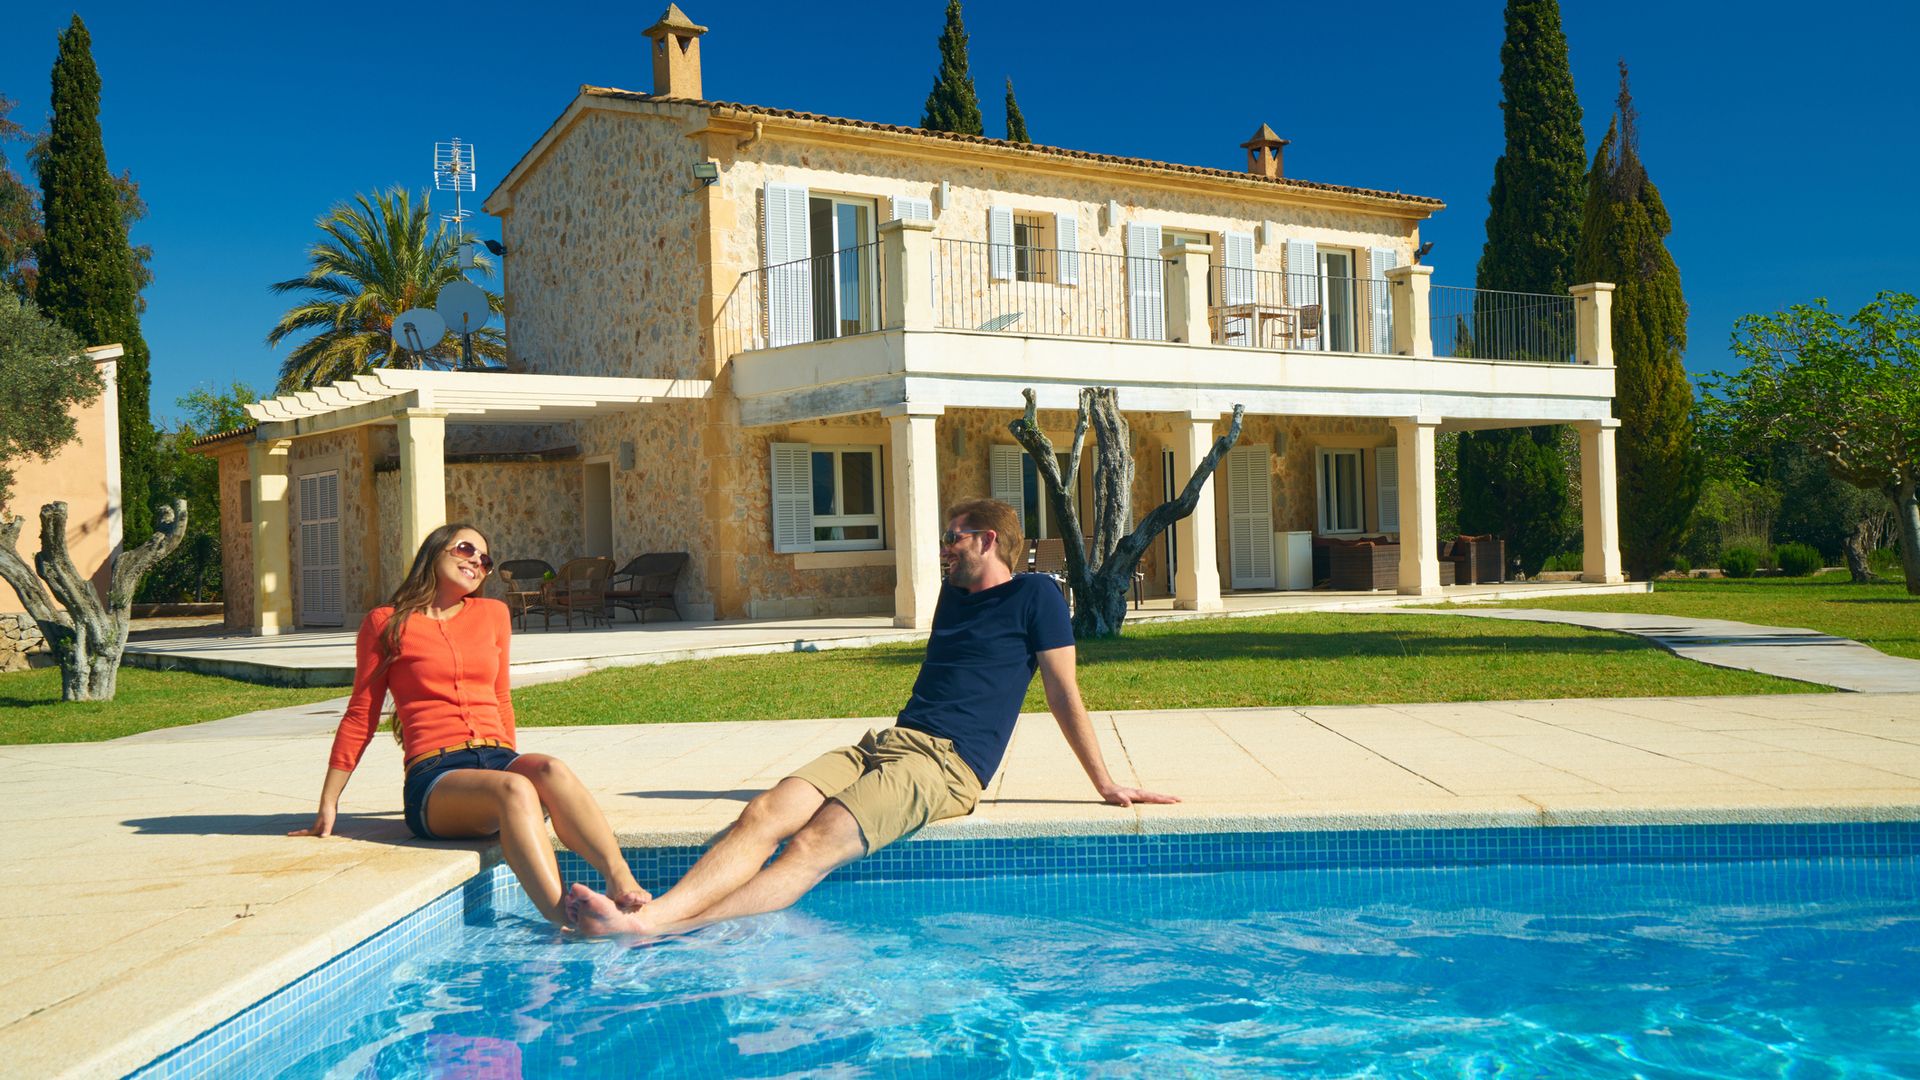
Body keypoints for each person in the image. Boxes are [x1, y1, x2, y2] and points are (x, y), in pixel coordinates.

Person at [567, 497, 1177, 936]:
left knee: (812, 840)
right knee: (763, 812)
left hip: (948, 765)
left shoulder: (1037, 595)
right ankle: (652, 914)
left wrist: (1104, 782)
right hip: (887, 742)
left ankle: (659, 932)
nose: (944, 548)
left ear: (989, 539)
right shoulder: (950, 594)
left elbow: (1062, 690)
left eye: (954, 536)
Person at [291, 522, 650, 928]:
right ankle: (560, 919)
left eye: (486, 559)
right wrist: (329, 803)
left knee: (548, 768)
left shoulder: (493, 614)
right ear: (435, 551)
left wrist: (514, 766)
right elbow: (362, 712)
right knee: (514, 788)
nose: (478, 562)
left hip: (495, 758)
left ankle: (619, 875)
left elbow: (500, 699)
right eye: (466, 550)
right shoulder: (385, 622)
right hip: (435, 775)